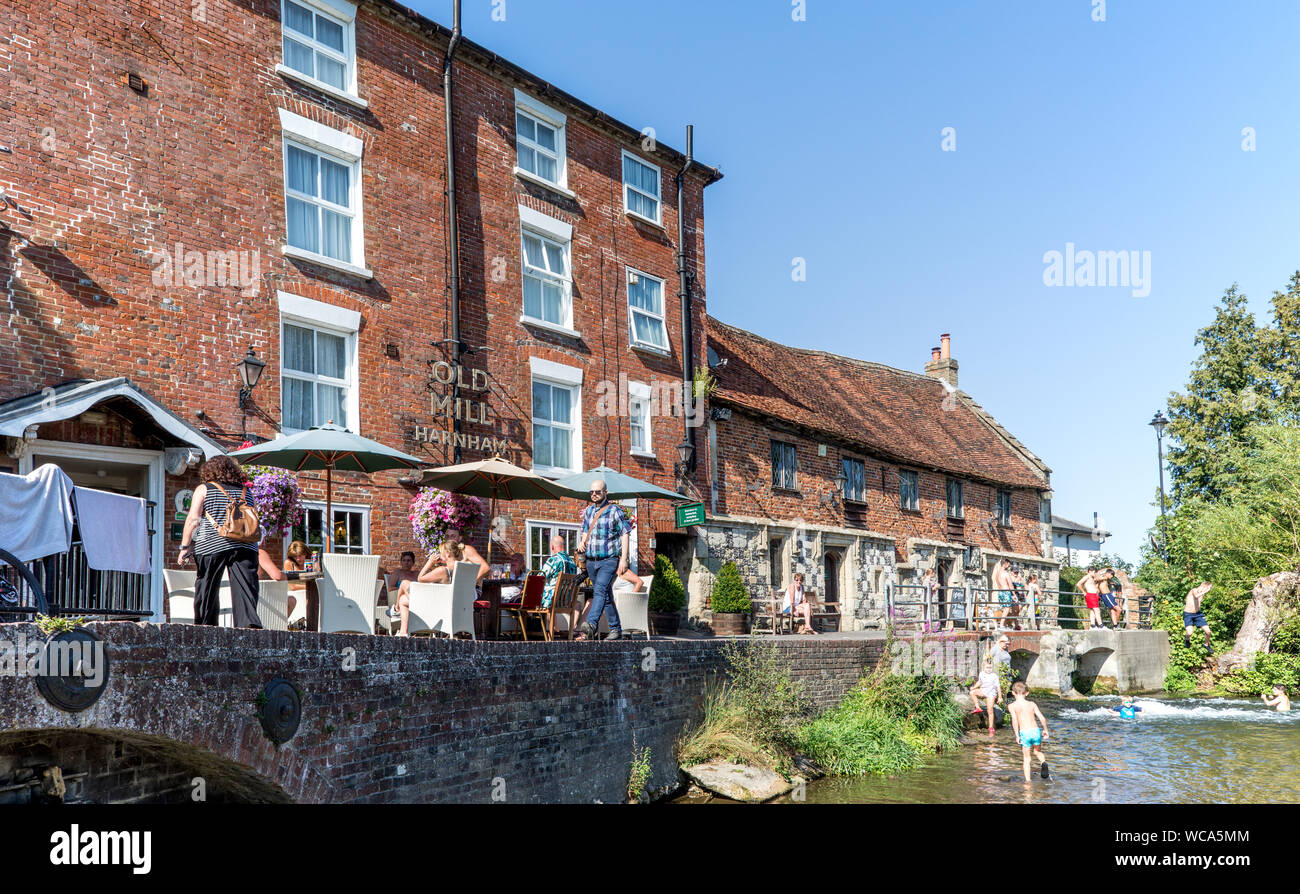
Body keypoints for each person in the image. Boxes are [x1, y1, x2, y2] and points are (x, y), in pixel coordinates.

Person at [178, 456, 262, 628]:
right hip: (246, 545)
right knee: (246, 588)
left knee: (207, 585)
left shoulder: (204, 488)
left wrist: (184, 547)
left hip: (211, 542)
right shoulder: (247, 492)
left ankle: (205, 627)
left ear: (209, 471)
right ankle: (249, 627)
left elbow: (193, 519)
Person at [576, 478, 632, 641]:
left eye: (597, 492)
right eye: (591, 492)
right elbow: (586, 530)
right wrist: (582, 541)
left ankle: (591, 625)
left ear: (605, 493)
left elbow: (625, 533)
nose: (594, 494)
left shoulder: (615, 510)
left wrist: (624, 559)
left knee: (599, 590)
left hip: (609, 560)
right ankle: (616, 630)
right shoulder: (588, 511)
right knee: (606, 595)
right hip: (591, 561)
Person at [389, 539, 477, 636]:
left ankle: (396, 611)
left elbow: (420, 578)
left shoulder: (442, 570)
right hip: (451, 607)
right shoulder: (462, 568)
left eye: (441, 552)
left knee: (405, 583)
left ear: (447, 554)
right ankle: (403, 632)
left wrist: (430, 562)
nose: (439, 554)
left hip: (435, 609)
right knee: (403, 599)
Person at [1008, 681, 1049, 781]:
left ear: (1013, 693)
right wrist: (1045, 730)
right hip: (1035, 731)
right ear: (1027, 693)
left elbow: (1015, 721)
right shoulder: (1032, 704)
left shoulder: (1012, 706)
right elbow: (1042, 718)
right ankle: (1043, 762)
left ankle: (1028, 782)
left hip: (1024, 733)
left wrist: (1017, 735)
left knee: (1027, 759)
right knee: (1037, 752)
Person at [969, 658, 1002, 733]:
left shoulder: (994, 676)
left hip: (991, 693)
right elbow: (980, 682)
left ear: (992, 667)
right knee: (972, 692)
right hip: (983, 691)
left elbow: (998, 687)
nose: (989, 669)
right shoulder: (981, 673)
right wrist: (974, 687)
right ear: (983, 667)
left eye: (990, 667)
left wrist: (1000, 697)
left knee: (989, 710)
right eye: (987, 667)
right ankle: (977, 707)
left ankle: (990, 727)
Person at [1182, 581, 1214, 652]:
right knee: (1190, 632)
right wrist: (1205, 591)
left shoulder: (1202, 595)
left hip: (1198, 614)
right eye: (1207, 589)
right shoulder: (1194, 590)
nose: (1207, 591)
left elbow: (1197, 604)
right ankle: (1187, 639)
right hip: (1188, 614)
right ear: (1204, 586)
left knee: (1208, 632)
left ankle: (1206, 644)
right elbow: (1196, 596)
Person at [991, 558, 1014, 629]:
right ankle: (1001, 625)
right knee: (1007, 609)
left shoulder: (997, 574)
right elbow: (1010, 585)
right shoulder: (1005, 573)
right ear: (1006, 564)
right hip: (1006, 592)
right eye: (1008, 565)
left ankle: (1004, 624)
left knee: (1004, 609)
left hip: (1000, 592)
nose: (1009, 567)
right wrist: (1014, 594)